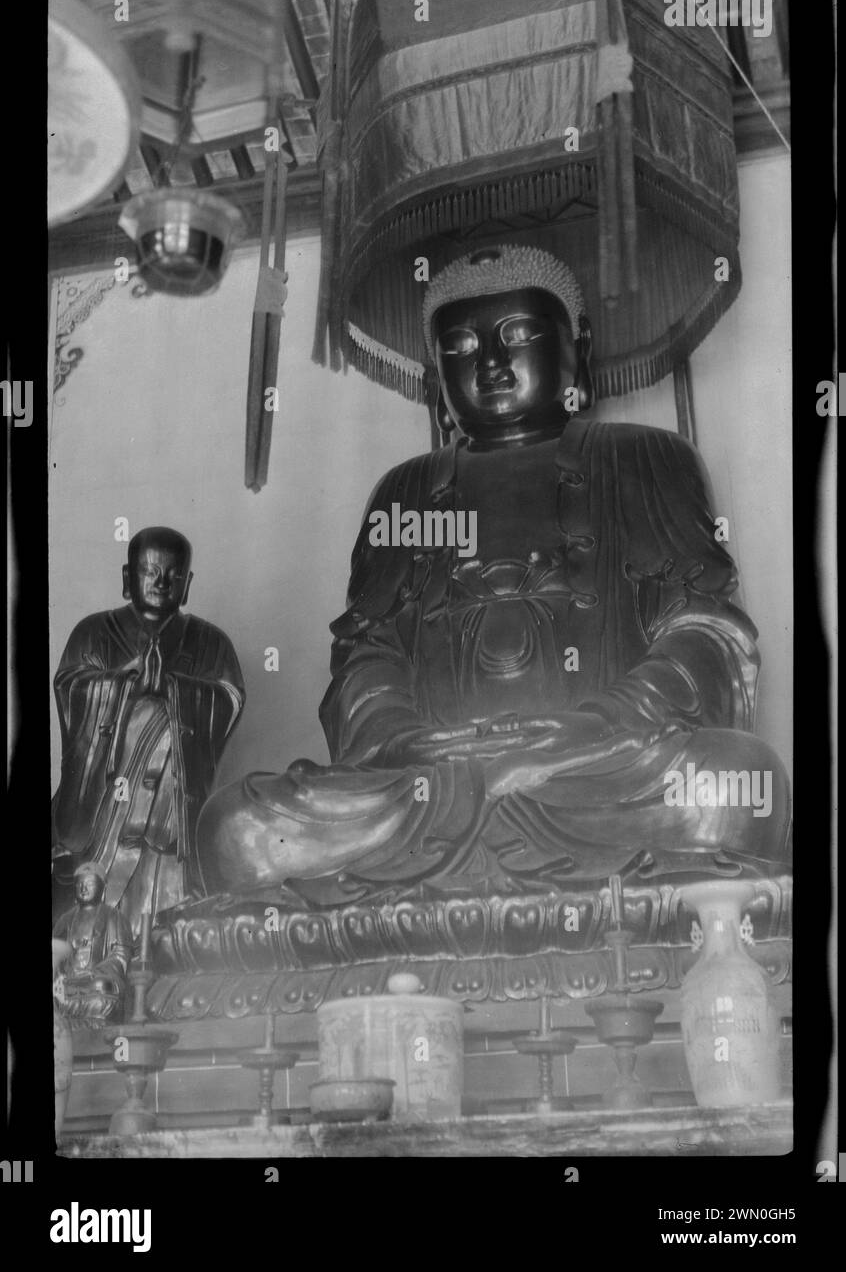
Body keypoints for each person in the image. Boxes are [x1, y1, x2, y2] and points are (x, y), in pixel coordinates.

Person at [197, 246, 791, 905]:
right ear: (436, 376)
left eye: (518, 335)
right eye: (459, 345)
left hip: (591, 769)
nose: (489, 362)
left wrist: (599, 724)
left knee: (738, 785)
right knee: (236, 826)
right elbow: (371, 652)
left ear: (577, 348)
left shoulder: (643, 458)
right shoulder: (412, 492)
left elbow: (702, 627)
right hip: (429, 787)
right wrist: (401, 738)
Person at [52, 526, 245, 936]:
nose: (161, 581)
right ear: (127, 578)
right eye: (150, 570)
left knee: (166, 910)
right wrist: (125, 685)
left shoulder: (211, 643)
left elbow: (229, 697)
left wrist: (174, 689)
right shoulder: (94, 633)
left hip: (169, 817)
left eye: (174, 575)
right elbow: (71, 685)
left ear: (187, 584)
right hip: (106, 811)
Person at [52, 862, 132, 1024]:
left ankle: (74, 1014)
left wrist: (95, 972)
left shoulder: (114, 916)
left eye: (89, 884)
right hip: (68, 984)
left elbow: (121, 955)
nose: (83, 888)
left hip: (94, 982)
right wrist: (60, 975)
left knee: (103, 986)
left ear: (102, 888)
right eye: (79, 885)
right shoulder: (64, 920)